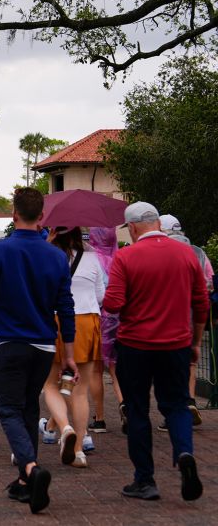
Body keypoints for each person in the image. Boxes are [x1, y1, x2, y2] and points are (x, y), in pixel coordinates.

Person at [0, 188, 76, 514]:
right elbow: (65, 307)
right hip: (43, 345)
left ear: (14, 214)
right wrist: (68, 353)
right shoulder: (56, 256)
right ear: (42, 216)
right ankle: (26, 482)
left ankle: (30, 468)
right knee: (28, 407)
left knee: (9, 408)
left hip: (10, 342)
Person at [103, 202, 207, 502]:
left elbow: (112, 304)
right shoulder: (187, 254)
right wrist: (196, 342)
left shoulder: (126, 256)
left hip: (136, 344)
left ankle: (145, 479)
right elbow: (200, 303)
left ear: (133, 227)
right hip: (176, 344)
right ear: (158, 224)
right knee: (176, 405)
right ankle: (184, 452)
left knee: (137, 410)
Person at [39, 227, 106, 468]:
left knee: (50, 385)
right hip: (87, 321)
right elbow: (101, 295)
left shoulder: (47, 256)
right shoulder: (92, 257)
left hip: (54, 321)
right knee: (80, 390)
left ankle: (63, 427)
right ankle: (79, 450)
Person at [160, 214, 213, 428]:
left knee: (167, 367)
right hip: (193, 314)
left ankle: (173, 412)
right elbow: (209, 283)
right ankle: (189, 401)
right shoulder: (199, 252)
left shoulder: (162, 251)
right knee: (190, 359)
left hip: (168, 315)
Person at [87, 227, 126, 434]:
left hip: (98, 317)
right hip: (120, 319)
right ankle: (123, 402)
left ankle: (100, 418)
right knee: (116, 367)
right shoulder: (120, 259)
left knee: (95, 369)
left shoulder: (92, 260)